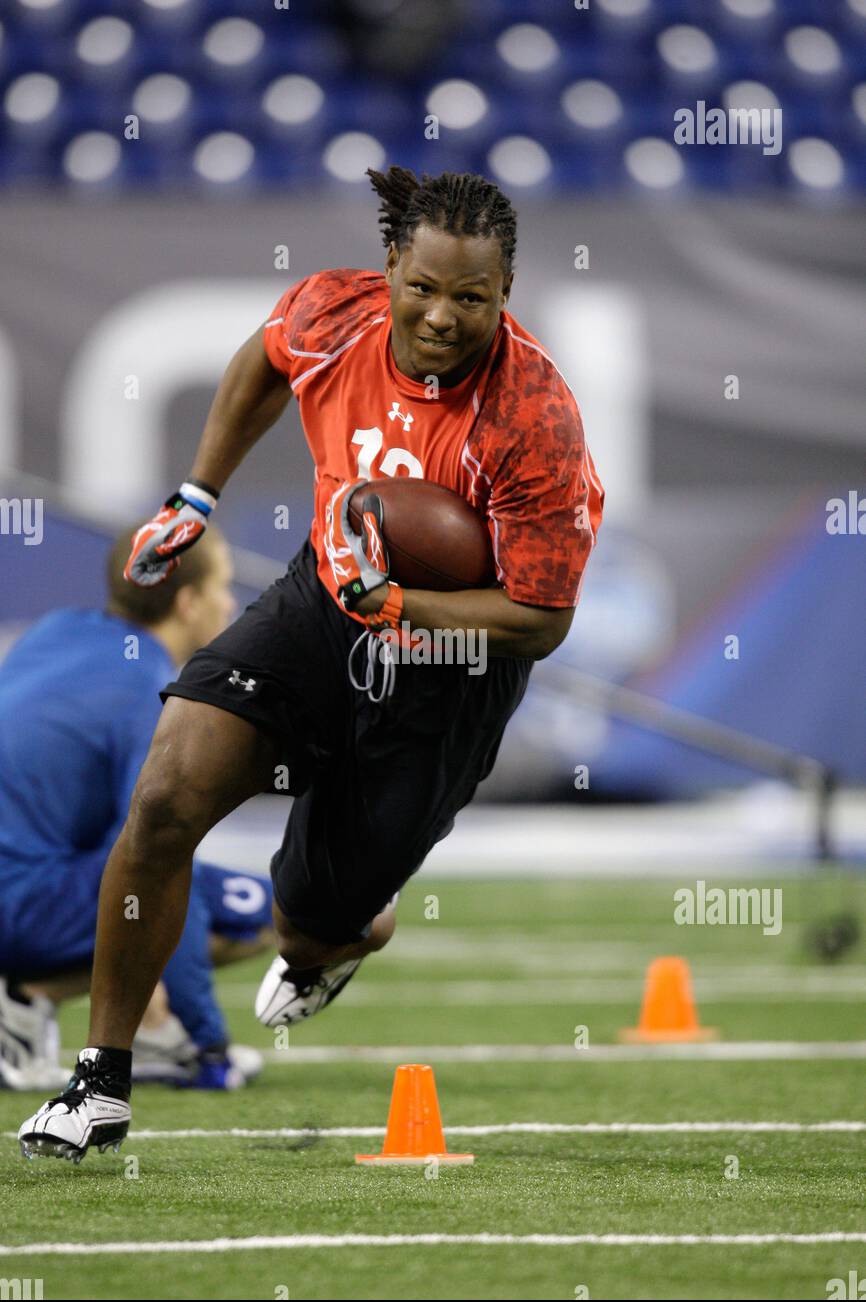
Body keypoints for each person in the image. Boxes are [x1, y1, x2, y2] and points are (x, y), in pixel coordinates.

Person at [19, 165, 604, 1162]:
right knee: (163, 800)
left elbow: (541, 617)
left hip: (452, 661)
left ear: (505, 291)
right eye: (423, 287)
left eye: (471, 297)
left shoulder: (533, 414)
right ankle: (100, 1082)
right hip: (323, 599)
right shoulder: (333, 311)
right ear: (391, 266)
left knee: (310, 924)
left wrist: (403, 605)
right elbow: (263, 356)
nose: (442, 315)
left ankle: (343, 930)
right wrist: (196, 495)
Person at [0, 526, 272, 1093]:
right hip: (22, 905)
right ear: (187, 602)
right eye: (221, 587)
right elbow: (156, 870)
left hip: (28, 888)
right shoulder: (147, 685)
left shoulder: (55, 629)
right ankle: (33, 1005)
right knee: (288, 908)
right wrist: (209, 1044)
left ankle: (35, 1004)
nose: (229, 604)